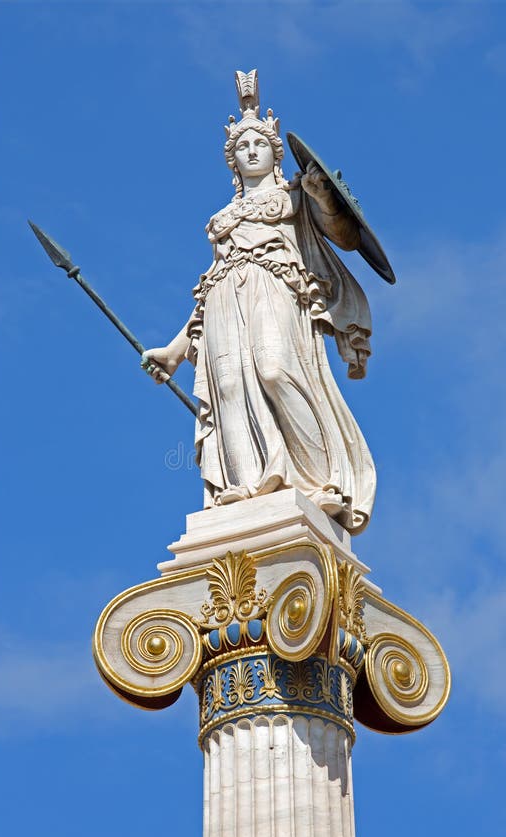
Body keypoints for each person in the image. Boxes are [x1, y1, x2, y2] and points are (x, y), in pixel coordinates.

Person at [143, 70, 376, 534]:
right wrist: (174, 351)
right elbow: (208, 288)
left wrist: (325, 199)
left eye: (259, 144)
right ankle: (247, 483)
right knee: (229, 385)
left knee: (274, 369)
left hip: (274, 288)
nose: (251, 151)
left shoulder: (294, 196)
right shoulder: (223, 219)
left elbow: (345, 237)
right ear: (233, 161)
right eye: (242, 146)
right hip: (225, 301)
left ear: (273, 153)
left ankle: (320, 480)